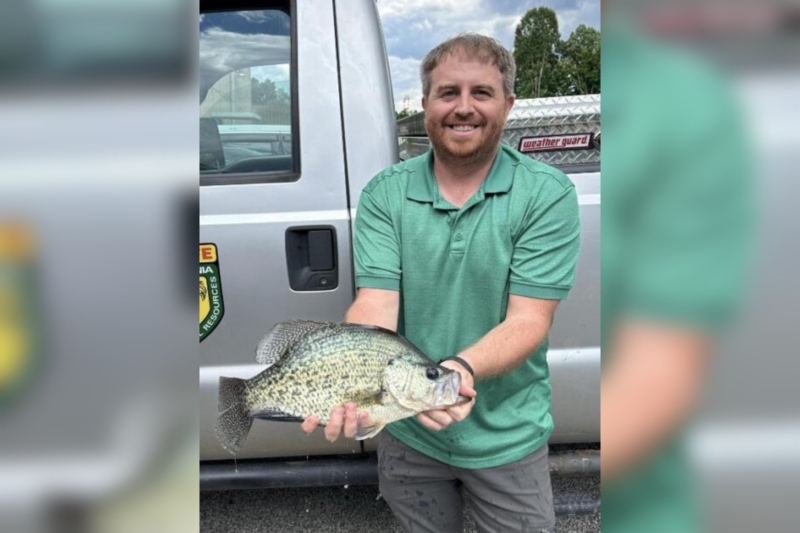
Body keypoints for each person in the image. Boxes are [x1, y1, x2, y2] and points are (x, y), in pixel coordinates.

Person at [302, 33, 581, 533]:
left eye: (482, 93)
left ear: (508, 104)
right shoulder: (385, 194)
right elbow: (376, 305)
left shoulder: (546, 194)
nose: (464, 108)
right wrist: (349, 378)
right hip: (409, 430)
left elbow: (530, 320)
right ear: (425, 102)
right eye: (448, 92)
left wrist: (455, 372)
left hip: (506, 434)